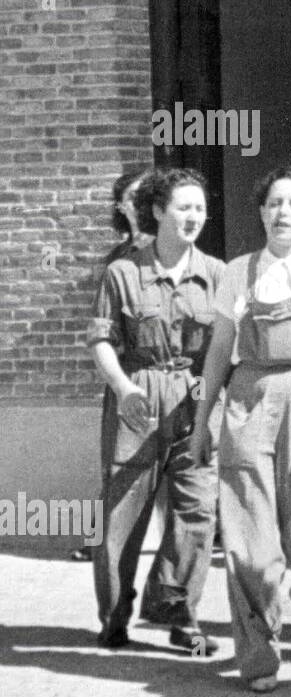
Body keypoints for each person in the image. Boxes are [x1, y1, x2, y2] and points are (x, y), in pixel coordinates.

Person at [189, 169, 291, 692]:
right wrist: (201, 424)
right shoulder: (238, 272)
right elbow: (218, 354)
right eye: (274, 203)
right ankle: (260, 656)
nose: (283, 212)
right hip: (246, 400)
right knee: (249, 545)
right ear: (260, 212)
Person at [87, 167, 223, 654]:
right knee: (123, 513)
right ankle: (115, 615)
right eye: (183, 208)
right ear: (160, 211)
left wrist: (211, 405)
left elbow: (224, 350)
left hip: (196, 401)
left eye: (200, 209)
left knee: (197, 511)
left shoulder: (217, 274)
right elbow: (102, 340)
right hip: (137, 398)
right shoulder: (122, 273)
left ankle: (178, 611)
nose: (193, 218)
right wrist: (122, 387)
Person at [73, 167, 154, 564]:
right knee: (118, 458)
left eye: (145, 195)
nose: (137, 204)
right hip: (128, 372)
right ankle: (100, 540)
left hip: (173, 370)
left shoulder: (172, 248)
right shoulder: (116, 258)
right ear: (122, 206)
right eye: (130, 198)